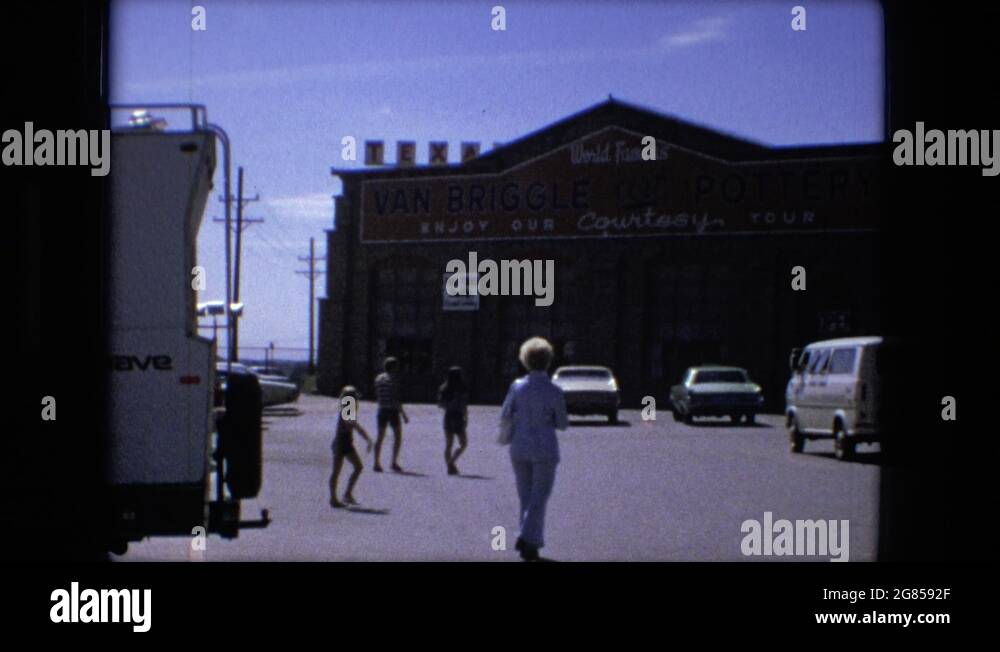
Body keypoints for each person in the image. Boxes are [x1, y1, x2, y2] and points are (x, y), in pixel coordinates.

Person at [500, 336, 568, 561]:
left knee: (525, 497)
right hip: (545, 448)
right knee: (540, 497)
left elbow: (505, 414)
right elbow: (562, 424)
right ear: (549, 361)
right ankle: (527, 536)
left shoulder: (517, 387)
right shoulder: (555, 391)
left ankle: (531, 544)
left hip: (519, 446)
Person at [330, 385, 372, 508]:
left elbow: (351, 423)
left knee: (358, 467)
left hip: (346, 442)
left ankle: (347, 494)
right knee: (337, 471)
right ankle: (334, 498)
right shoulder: (348, 405)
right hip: (342, 442)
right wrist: (366, 438)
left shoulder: (348, 405)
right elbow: (350, 424)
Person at [373, 357, 409, 473]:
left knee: (380, 437)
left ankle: (376, 462)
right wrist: (403, 414)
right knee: (397, 436)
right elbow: (395, 398)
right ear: (393, 367)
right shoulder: (393, 379)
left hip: (381, 408)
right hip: (392, 410)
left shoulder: (378, 379)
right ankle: (393, 462)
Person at [438, 366, 469, 475]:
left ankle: (450, 465)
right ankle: (451, 463)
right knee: (463, 443)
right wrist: (466, 418)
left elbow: (440, 404)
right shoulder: (462, 388)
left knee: (449, 444)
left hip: (448, 415)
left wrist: (449, 404)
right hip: (458, 416)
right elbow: (464, 405)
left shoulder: (444, 388)